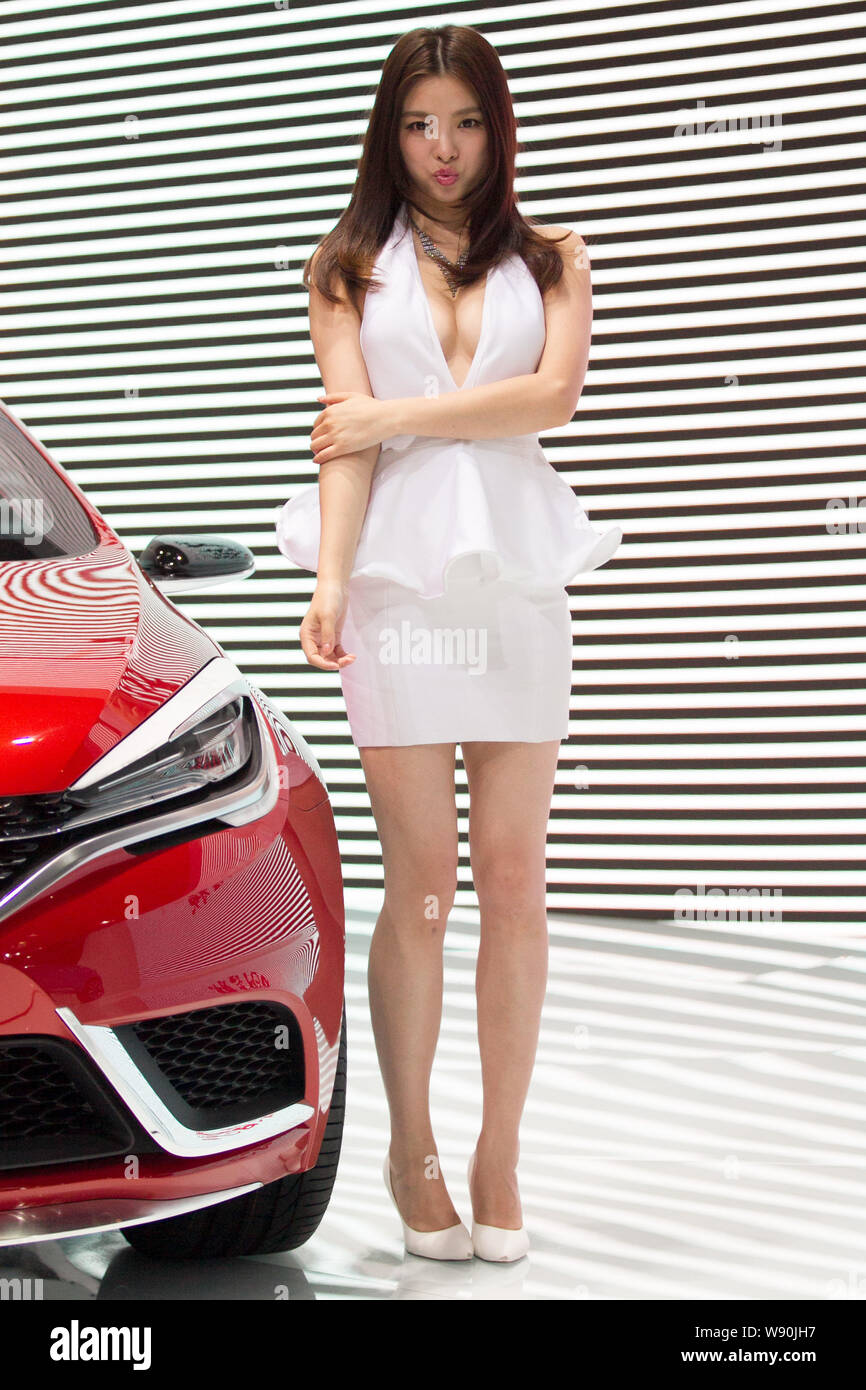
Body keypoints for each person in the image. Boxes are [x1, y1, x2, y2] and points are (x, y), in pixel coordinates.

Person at [275, 24, 622, 1262]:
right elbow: (346, 441)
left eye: (464, 122)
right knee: (420, 886)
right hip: (398, 587)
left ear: (497, 128)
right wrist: (326, 581)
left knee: (514, 882)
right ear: (390, 129)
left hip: (518, 576)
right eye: (419, 122)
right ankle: (410, 1142)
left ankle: (500, 1150)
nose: (441, 147)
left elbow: (548, 400)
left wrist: (389, 406)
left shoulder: (555, 259)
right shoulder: (344, 266)